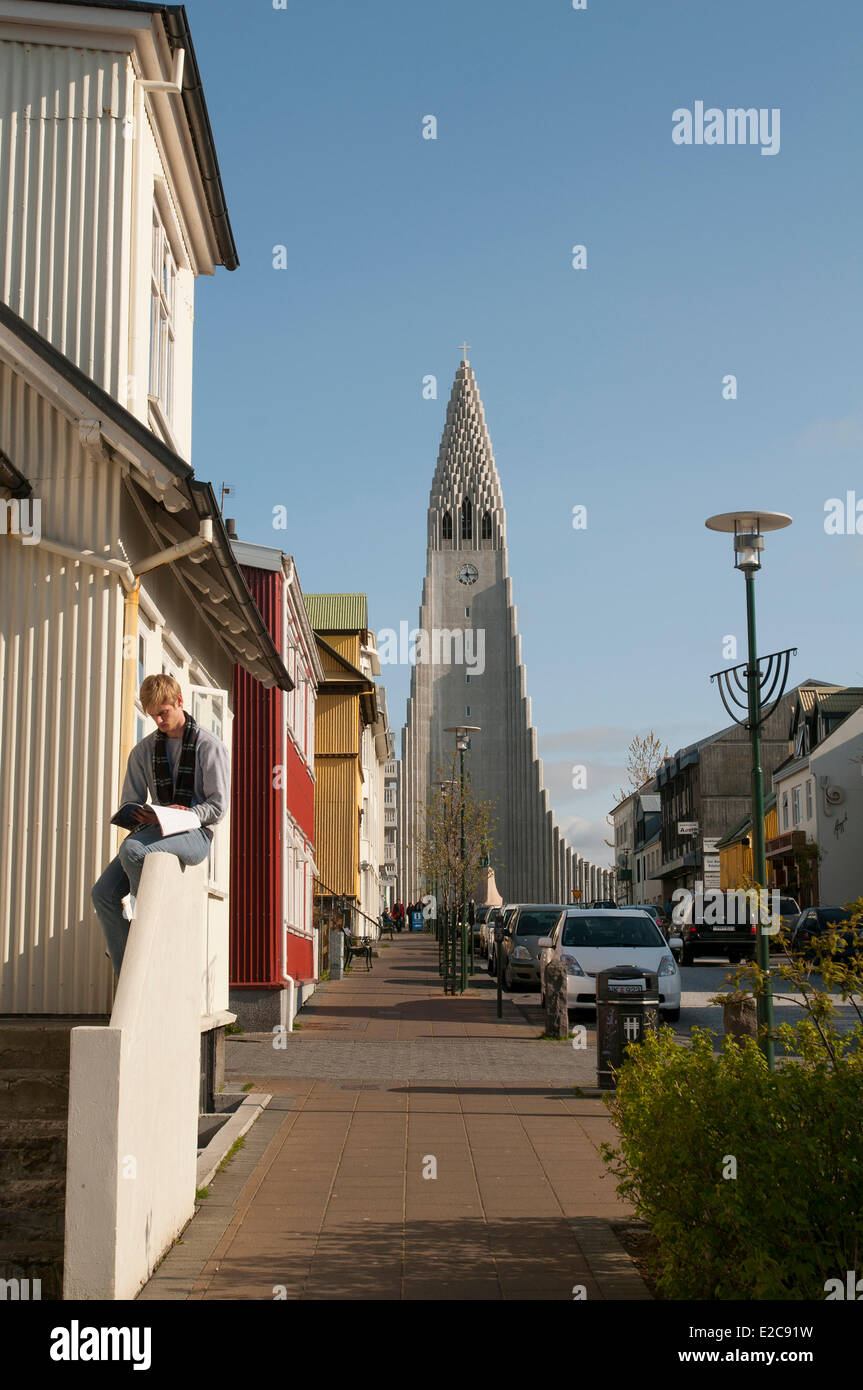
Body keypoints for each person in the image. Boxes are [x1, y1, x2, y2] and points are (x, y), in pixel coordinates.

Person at [91, 674, 230, 975]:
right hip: (156, 830)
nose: (158, 720)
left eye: (163, 712)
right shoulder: (143, 751)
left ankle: (150, 930)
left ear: (180, 701)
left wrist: (188, 813)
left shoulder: (209, 746)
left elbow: (217, 808)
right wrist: (139, 812)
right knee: (102, 893)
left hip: (195, 833)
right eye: (152, 714)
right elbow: (131, 799)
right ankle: (127, 967)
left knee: (132, 850)